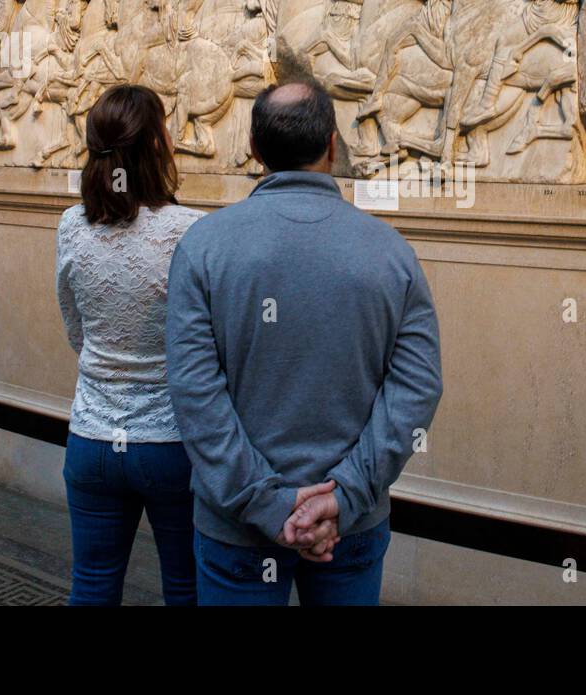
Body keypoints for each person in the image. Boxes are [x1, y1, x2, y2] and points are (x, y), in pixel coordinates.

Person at [167, 80, 443, 606]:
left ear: (253, 148)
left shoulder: (203, 247)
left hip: (239, 530)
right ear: (333, 146)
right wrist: (346, 494)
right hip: (349, 525)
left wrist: (268, 505)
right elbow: (418, 389)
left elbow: (195, 395)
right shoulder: (391, 253)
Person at [55, 84, 203, 605]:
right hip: (170, 443)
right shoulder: (191, 230)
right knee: (186, 588)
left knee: (92, 584)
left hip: (92, 437)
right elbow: (204, 347)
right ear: (156, 145)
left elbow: (75, 329)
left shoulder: (72, 225)